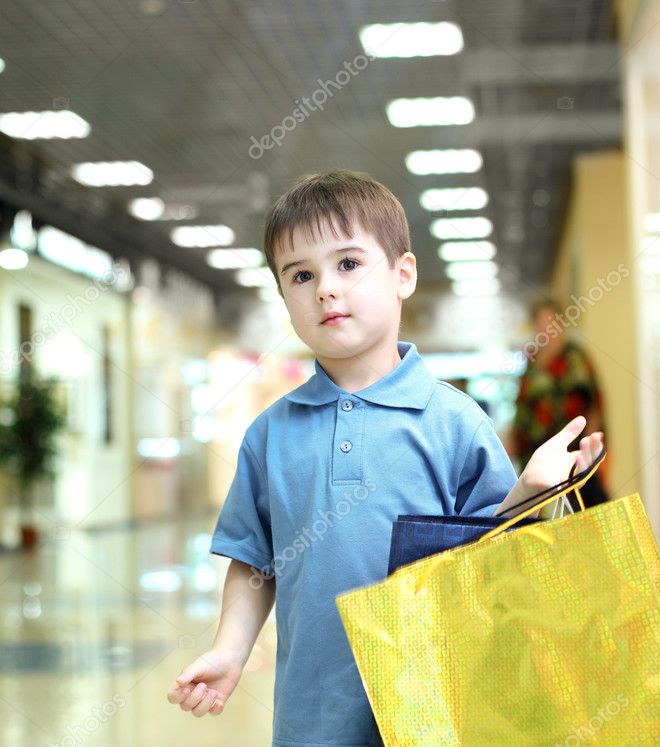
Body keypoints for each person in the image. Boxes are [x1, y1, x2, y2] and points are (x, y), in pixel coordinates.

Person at [165, 171, 603, 746]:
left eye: (348, 264)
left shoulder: (453, 422)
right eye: (301, 274)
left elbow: (490, 556)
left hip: (436, 714)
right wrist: (229, 648)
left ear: (403, 274)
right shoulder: (269, 436)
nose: (325, 288)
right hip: (312, 719)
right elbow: (254, 560)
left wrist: (531, 491)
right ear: (283, 296)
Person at [511, 297, 609, 507]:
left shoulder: (575, 358)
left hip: (572, 453)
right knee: (540, 514)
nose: (546, 328)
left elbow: (594, 405)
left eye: (551, 322)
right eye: (541, 323)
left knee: (578, 510)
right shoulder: (532, 362)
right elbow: (522, 407)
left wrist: (591, 451)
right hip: (535, 453)